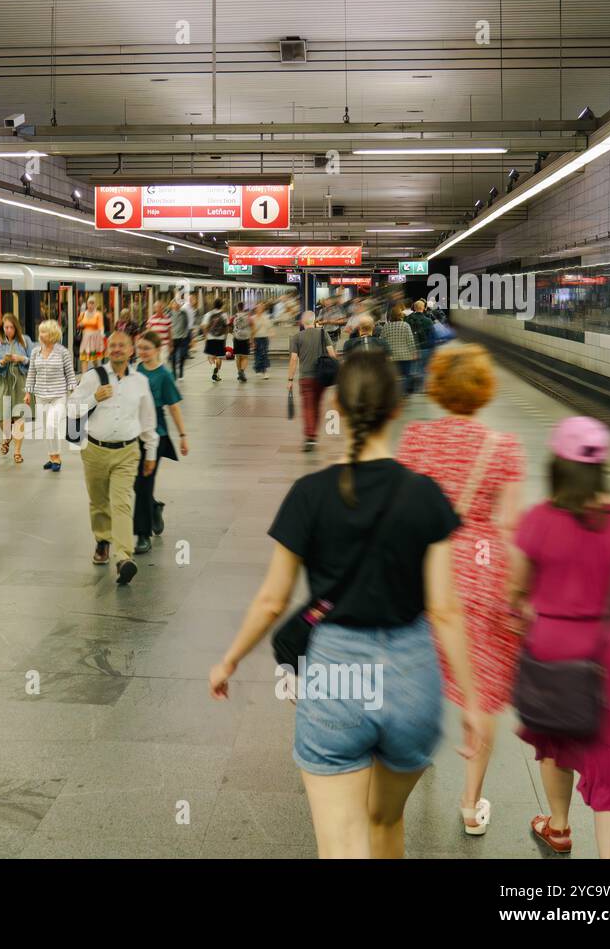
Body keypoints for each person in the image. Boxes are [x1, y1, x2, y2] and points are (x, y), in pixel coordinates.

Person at [208, 351, 486, 858]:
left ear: (336, 404)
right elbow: (445, 609)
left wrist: (230, 660)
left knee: (342, 845)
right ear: (398, 407)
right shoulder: (425, 495)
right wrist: (470, 700)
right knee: (385, 822)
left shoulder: (310, 494)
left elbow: (273, 600)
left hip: (337, 671)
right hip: (411, 676)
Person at [512, 417, 610, 858]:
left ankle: (558, 828)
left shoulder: (539, 520)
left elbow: (518, 590)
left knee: (556, 742)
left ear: (558, 467)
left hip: (555, 655)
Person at [396, 345, 525, 835]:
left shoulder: (416, 439)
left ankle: (411, 761)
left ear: (436, 386)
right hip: (482, 573)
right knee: (484, 692)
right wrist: (515, 595)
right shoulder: (504, 447)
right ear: (483, 389)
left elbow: (402, 510)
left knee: (418, 675)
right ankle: (471, 805)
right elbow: (510, 528)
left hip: (426, 567)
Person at [68, 330, 157, 586]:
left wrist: (150, 450)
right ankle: (102, 540)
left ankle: (123, 557)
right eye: (113, 345)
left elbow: (148, 419)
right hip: (95, 450)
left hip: (128, 452)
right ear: (108, 349)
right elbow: (71, 408)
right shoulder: (93, 377)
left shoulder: (140, 382)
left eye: (123, 345)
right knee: (98, 502)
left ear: (131, 351)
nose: (117, 349)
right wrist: (93, 398)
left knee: (121, 503)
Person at [133, 330, 187, 555]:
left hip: (156, 435)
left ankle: (142, 535)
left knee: (144, 484)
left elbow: (173, 406)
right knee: (136, 484)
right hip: (135, 433)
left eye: (146, 348)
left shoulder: (164, 375)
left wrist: (183, 436)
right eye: (140, 348)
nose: (142, 352)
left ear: (157, 350)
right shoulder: (137, 370)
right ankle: (154, 507)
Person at [22, 318, 77, 473]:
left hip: (59, 395)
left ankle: (57, 457)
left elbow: (70, 374)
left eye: (44, 331)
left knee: (52, 424)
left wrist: (74, 393)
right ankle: (52, 456)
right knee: (47, 428)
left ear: (52, 333)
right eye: (40, 331)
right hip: (40, 395)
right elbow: (31, 373)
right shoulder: (35, 352)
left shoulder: (63, 352)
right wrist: (28, 393)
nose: (40, 334)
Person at [286, 311, 339, 452]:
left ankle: (310, 436)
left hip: (306, 378)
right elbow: (332, 355)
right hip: (321, 377)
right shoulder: (323, 334)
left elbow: (293, 360)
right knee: (317, 406)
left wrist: (290, 379)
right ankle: (313, 436)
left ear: (302, 322)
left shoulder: (296, 337)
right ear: (314, 321)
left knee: (308, 407)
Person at [0, 313, 31, 465]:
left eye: (11, 327)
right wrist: (1, 362)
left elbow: (33, 361)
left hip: (20, 381)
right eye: (6, 327)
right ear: (2, 328)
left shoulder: (25, 341)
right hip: (3, 381)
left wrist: (22, 359)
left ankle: (17, 451)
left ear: (16, 328)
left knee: (18, 417)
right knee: (2, 417)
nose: (8, 330)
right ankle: (7, 437)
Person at [382, 307, 418, 397]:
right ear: (400, 315)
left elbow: (382, 341)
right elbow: (410, 340)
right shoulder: (406, 325)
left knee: (393, 376)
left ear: (390, 316)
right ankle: (404, 392)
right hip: (405, 355)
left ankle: (394, 392)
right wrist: (414, 352)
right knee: (406, 375)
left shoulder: (386, 326)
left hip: (391, 357)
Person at [406, 299, 436, 392]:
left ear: (414, 308)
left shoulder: (407, 319)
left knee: (412, 368)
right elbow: (432, 336)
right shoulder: (428, 321)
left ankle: (412, 389)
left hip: (411, 348)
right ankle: (422, 389)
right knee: (424, 369)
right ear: (423, 308)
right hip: (425, 348)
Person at [202, 299, 230, 382]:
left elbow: (203, 326)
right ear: (222, 305)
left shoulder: (208, 314)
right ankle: (217, 374)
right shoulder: (224, 315)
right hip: (221, 338)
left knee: (210, 356)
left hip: (210, 337)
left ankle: (213, 366)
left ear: (213, 305)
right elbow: (227, 327)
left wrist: (206, 335)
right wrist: (225, 336)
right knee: (219, 357)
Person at [76, 295, 106, 370]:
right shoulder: (83, 314)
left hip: (95, 339)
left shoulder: (98, 314)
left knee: (94, 359)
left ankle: (98, 371)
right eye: (89, 303)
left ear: (95, 304)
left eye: (92, 303)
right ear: (87, 304)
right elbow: (78, 324)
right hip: (85, 338)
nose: (91, 305)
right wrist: (80, 325)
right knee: (84, 358)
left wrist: (102, 335)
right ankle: (84, 377)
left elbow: (101, 326)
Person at [167, 297, 192, 379]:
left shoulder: (183, 313)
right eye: (174, 303)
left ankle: (181, 370)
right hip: (173, 338)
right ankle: (174, 373)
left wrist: (186, 335)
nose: (176, 305)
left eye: (178, 304)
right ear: (172, 305)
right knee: (173, 357)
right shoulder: (169, 314)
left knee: (182, 355)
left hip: (182, 338)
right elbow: (167, 327)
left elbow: (186, 324)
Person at [231, 302, 254, 382]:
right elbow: (252, 326)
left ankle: (239, 373)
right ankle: (242, 371)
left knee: (238, 357)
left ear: (237, 308)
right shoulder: (248, 316)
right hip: (246, 338)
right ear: (244, 308)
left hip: (236, 338)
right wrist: (252, 339)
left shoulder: (234, 317)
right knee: (245, 357)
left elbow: (229, 326)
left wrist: (233, 333)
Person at [145, 300, 171, 364]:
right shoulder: (151, 319)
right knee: (155, 363)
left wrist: (171, 345)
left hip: (164, 345)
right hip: (154, 345)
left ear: (163, 308)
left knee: (163, 362)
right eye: (157, 307)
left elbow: (170, 332)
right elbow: (148, 331)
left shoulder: (167, 318)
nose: (159, 308)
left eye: (160, 307)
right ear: (155, 309)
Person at [251, 301, 273, 379]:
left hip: (264, 338)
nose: (259, 309)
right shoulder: (253, 318)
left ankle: (265, 371)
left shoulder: (266, 317)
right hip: (256, 338)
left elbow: (270, 327)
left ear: (263, 309)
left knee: (264, 354)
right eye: (258, 307)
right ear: (256, 309)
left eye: (261, 307)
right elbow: (252, 330)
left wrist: (271, 333)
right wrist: (252, 341)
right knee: (257, 354)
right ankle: (258, 370)